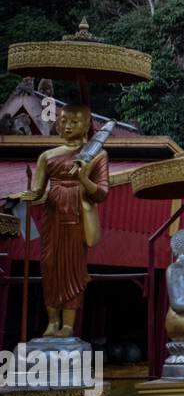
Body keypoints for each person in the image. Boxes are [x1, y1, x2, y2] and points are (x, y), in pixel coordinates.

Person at [11, 105, 109, 338]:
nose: (67, 126)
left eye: (74, 122)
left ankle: (67, 324)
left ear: (86, 125)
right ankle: (52, 322)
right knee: (50, 266)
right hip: (53, 214)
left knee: (73, 268)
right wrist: (30, 195)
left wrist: (84, 178)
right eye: (63, 121)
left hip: (77, 215)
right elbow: (39, 189)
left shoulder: (97, 155)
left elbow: (102, 193)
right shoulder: (47, 156)